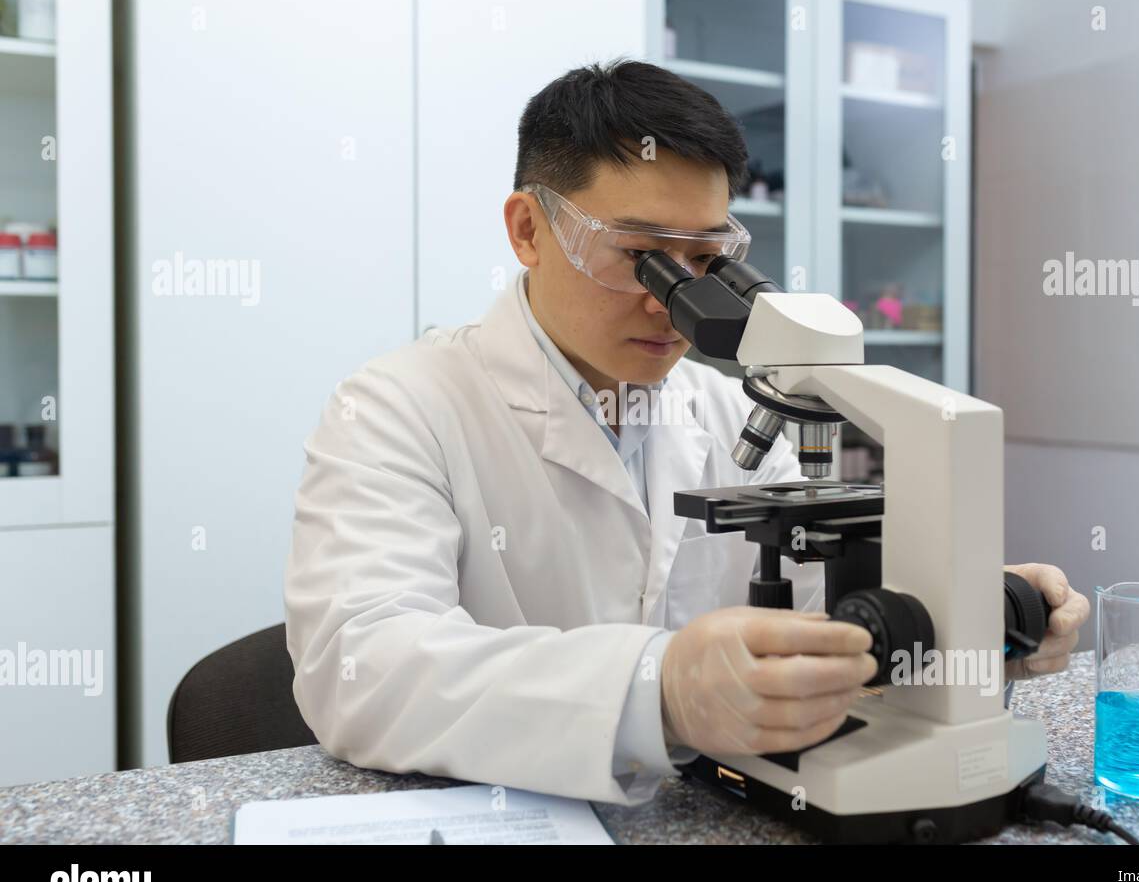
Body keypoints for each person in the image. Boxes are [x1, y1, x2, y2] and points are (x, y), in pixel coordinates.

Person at [284, 60, 1090, 805]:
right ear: (528, 230)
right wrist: (658, 688)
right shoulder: (397, 407)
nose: (674, 304)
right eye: (640, 257)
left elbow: (836, 633)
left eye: (704, 262)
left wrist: (958, 625)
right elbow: (363, 667)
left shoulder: (737, 410)